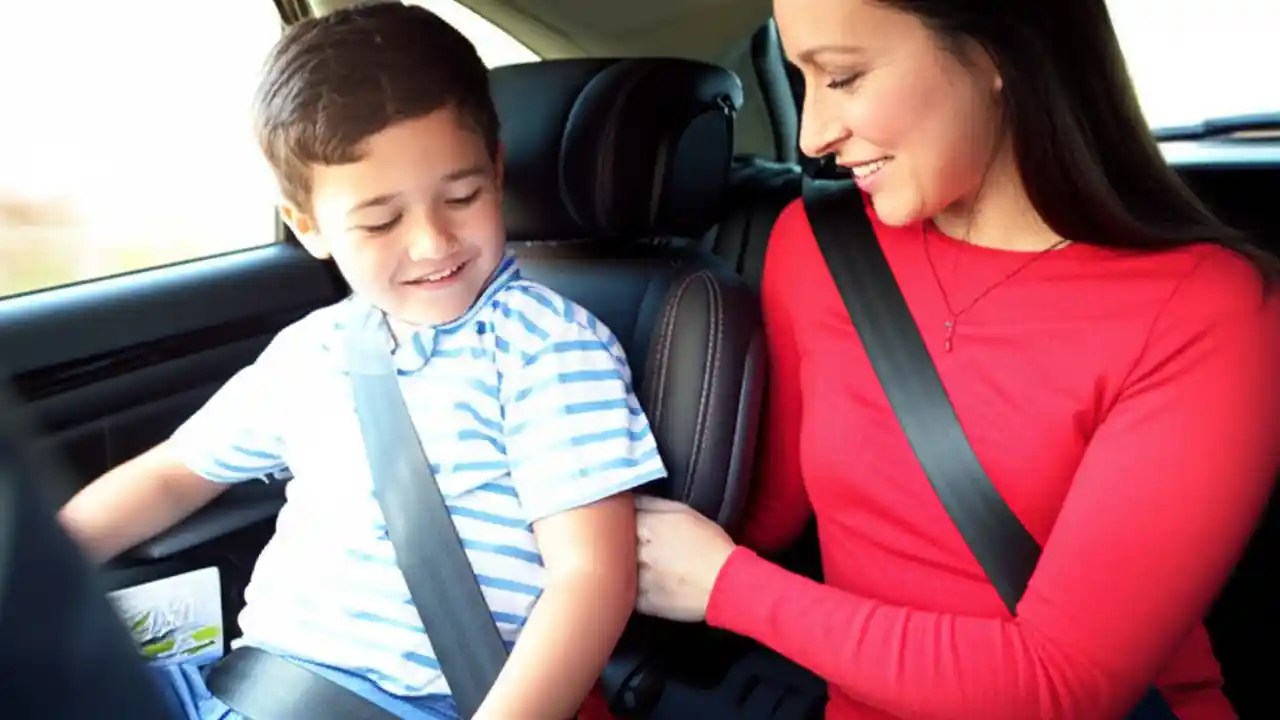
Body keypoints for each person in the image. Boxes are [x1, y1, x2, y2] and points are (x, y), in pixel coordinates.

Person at [631, 1, 1280, 719]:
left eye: (842, 77)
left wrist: (726, 587)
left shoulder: (1208, 308)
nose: (813, 135)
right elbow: (770, 513)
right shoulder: (818, 244)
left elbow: (1061, 686)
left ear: (998, 53)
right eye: (799, 79)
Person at [57, 4, 665, 719]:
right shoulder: (314, 351)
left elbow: (591, 576)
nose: (434, 242)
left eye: (462, 197)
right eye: (381, 221)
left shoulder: (547, 348)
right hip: (242, 685)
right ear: (308, 226)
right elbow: (169, 475)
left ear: (497, 173)